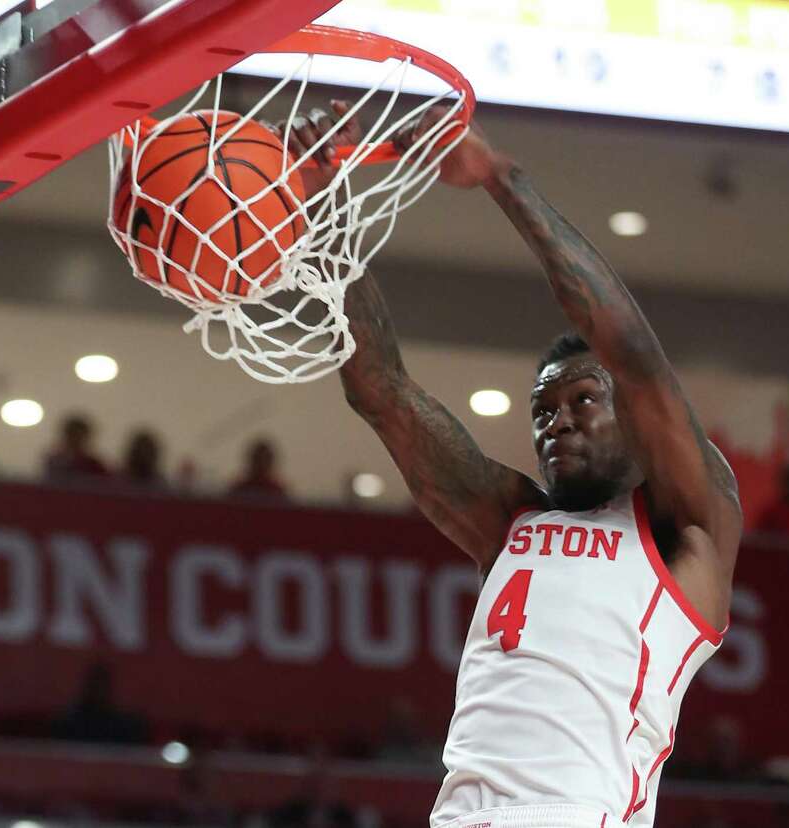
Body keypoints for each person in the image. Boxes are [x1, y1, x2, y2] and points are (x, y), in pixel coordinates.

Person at [292, 103, 742, 828]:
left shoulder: (688, 524)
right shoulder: (511, 521)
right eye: (541, 409)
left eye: (584, 399)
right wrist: (316, 201)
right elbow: (383, 393)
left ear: (631, 412)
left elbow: (635, 355)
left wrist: (501, 181)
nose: (557, 419)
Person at [43, 414, 110, 484]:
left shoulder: (93, 464)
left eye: (79, 436)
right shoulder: (54, 460)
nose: (75, 439)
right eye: (73, 435)